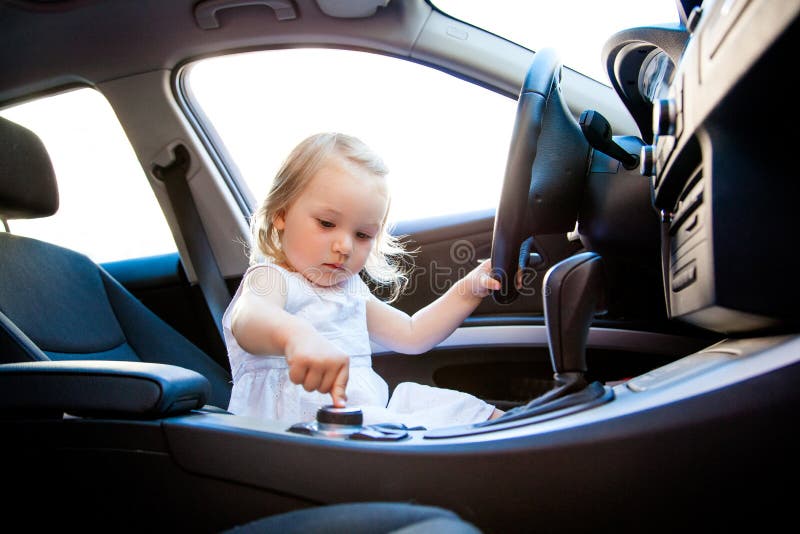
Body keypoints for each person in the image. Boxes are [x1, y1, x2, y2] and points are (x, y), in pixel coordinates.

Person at [223, 132, 504, 429]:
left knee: (441, 404)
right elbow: (248, 319)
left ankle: (511, 439)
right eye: (327, 224)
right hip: (292, 430)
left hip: (357, 416)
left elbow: (413, 333)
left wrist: (471, 288)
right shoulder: (273, 278)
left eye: (362, 235)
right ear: (281, 214)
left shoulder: (351, 293)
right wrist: (296, 336)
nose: (344, 245)